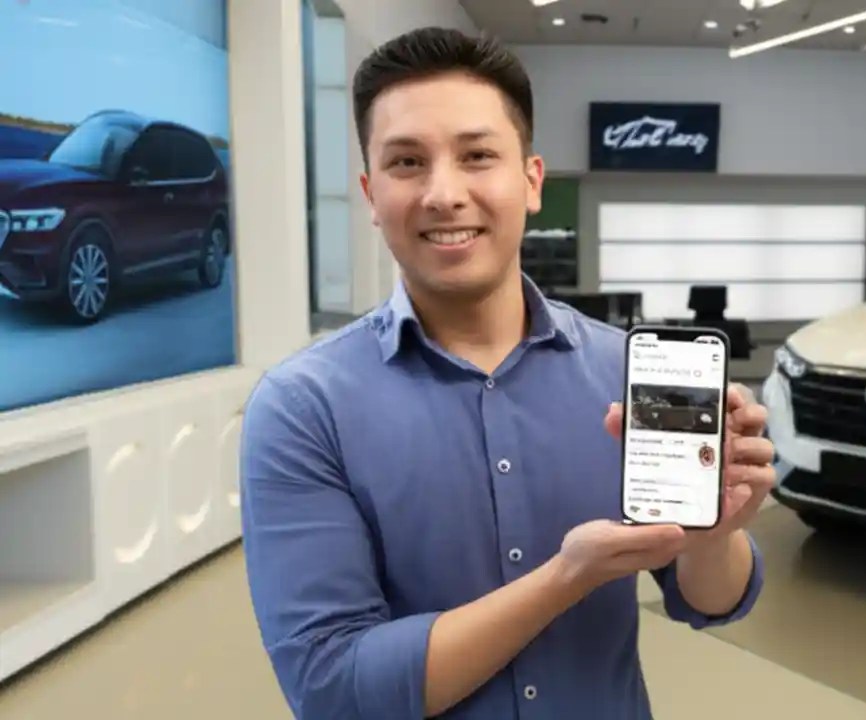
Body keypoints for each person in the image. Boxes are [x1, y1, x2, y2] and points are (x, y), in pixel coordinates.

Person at [239, 26, 776, 720]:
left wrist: (715, 535)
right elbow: (335, 687)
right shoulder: (303, 408)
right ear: (371, 196)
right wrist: (565, 578)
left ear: (531, 182)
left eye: (477, 155)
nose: (443, 193)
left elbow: (712, 600)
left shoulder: (622, 373)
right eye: (407, 162)